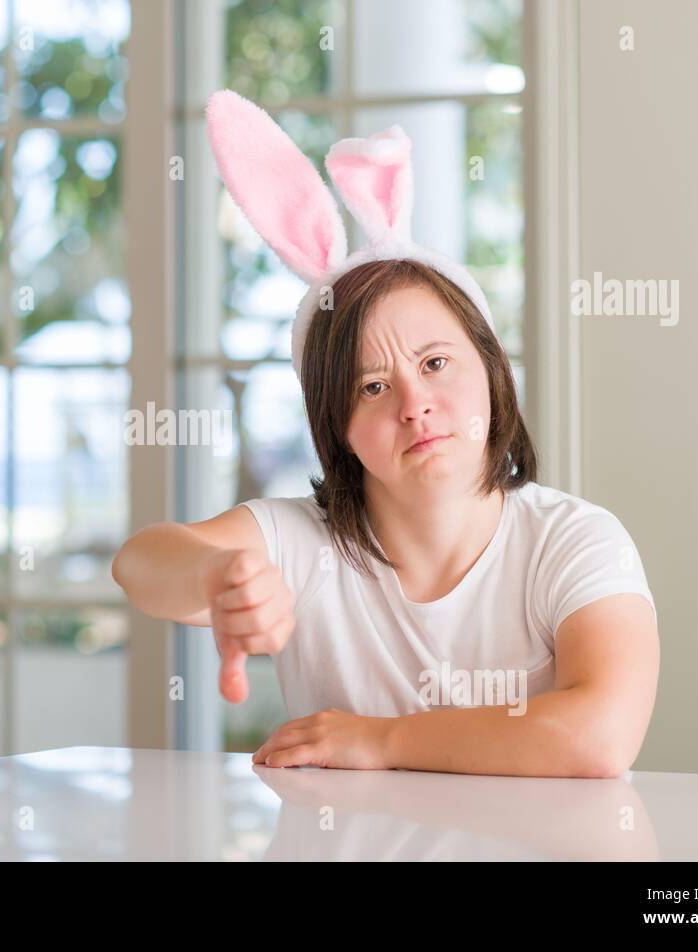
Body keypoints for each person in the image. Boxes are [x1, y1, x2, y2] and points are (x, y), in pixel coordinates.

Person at [111, 91, 659, 778]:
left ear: (491, 372)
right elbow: (139, 564)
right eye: (372, 387)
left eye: (436, 363)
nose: (414, 404)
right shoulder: (304, 545)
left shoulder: (572, 541)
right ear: (335, 429)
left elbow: (599, 736)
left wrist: (379, 741)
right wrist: (216, 575)